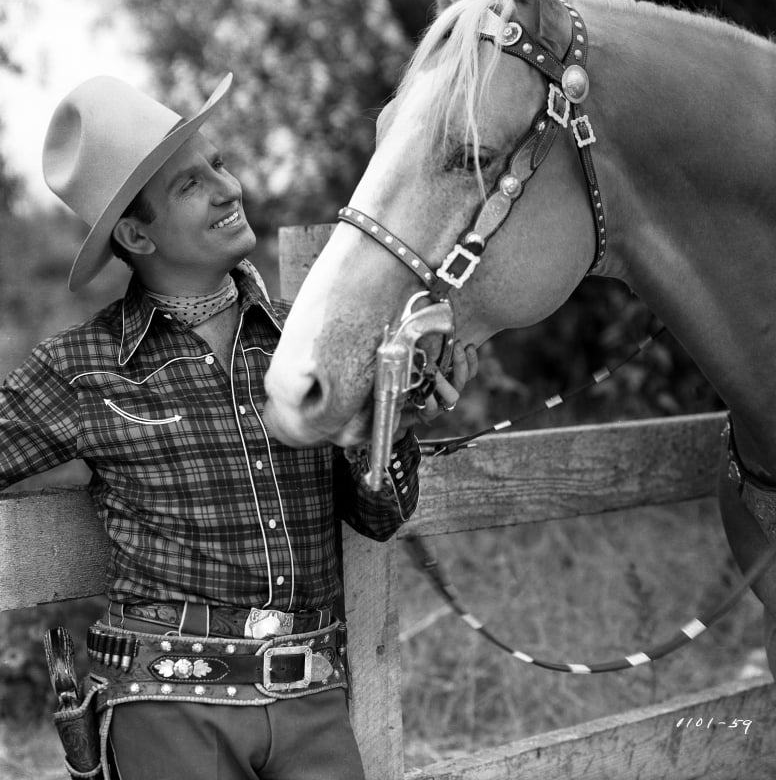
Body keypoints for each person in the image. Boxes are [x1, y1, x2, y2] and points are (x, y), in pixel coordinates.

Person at [0, 73, 478, 780]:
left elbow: (380, 517)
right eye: (191, 185)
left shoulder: (311, 337)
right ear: (135, 233)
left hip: (313, 698)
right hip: (167, 706)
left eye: (219, 164)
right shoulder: (82, 368)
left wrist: (389, 423)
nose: (229, 189)